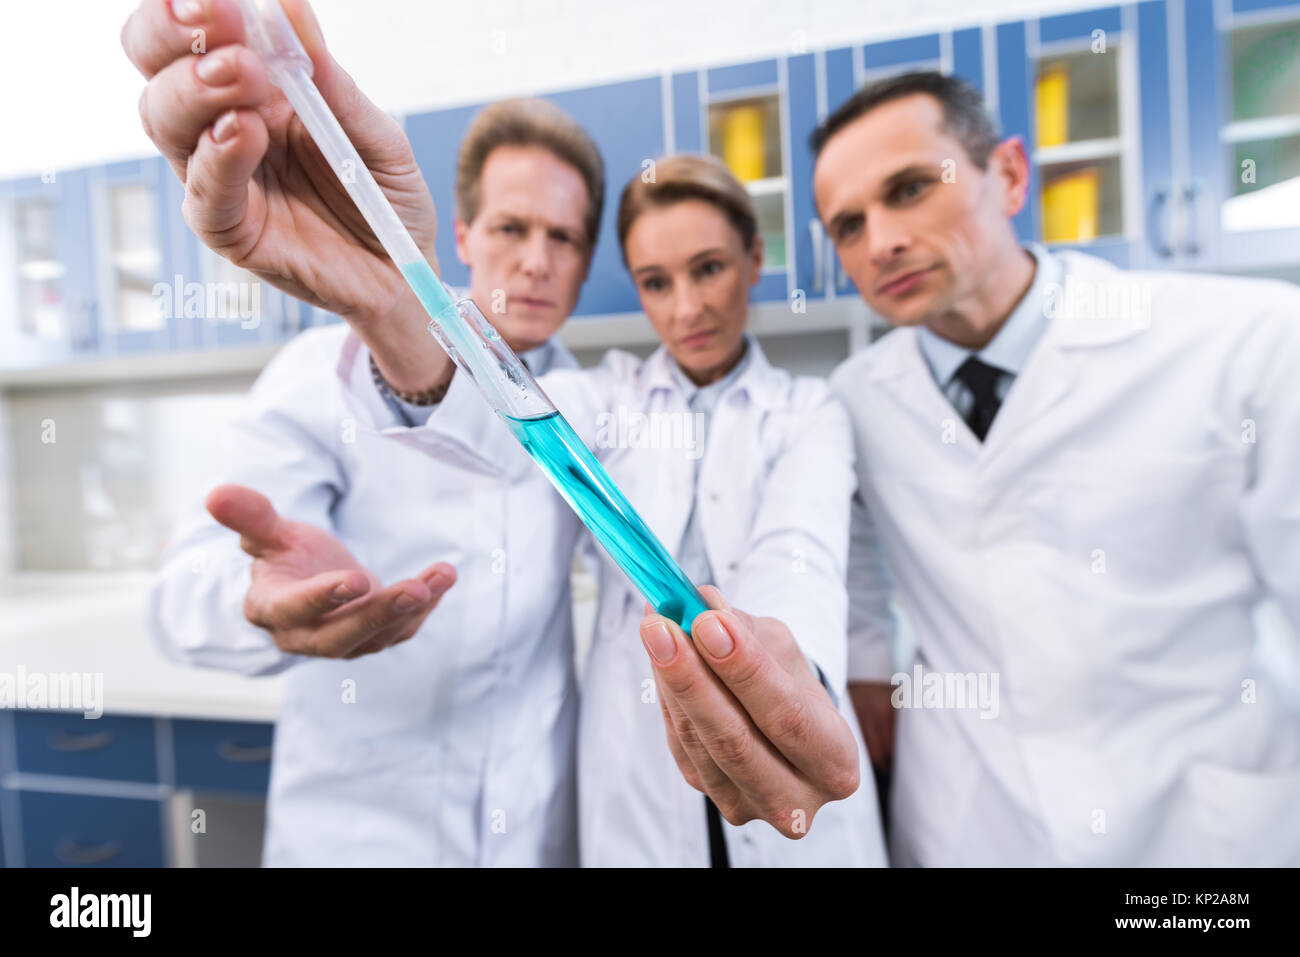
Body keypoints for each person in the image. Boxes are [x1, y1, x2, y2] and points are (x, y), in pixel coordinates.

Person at [125, 0, 861, 863]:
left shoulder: (588, 407)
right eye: (513, 229)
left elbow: (784, 551)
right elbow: (180, 601)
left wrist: (793, 672)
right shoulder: (313, 375)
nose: (537, 259)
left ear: (589, 263)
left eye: (566, 237)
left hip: (536, 838)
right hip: (361, 841)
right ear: (465, 234)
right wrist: (260, 605)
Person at [813, 70, 1300, 866]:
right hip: (973, 821)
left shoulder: (1247, 340)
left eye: (908, 189)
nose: (880, 241)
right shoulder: (853, 399)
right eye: (848, 224)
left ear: (1008, 174)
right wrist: (867, 664)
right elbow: (850, 551)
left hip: (1205, 824)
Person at [534, 155, 887, 866]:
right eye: (656, 283)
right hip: (635, 772)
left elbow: (801, 552)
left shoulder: (807, 409)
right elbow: (502, 415)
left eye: (709, 269)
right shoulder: (605, 401)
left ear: (755, 259)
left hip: (790, 757)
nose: (686, 307)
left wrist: (791, 680)